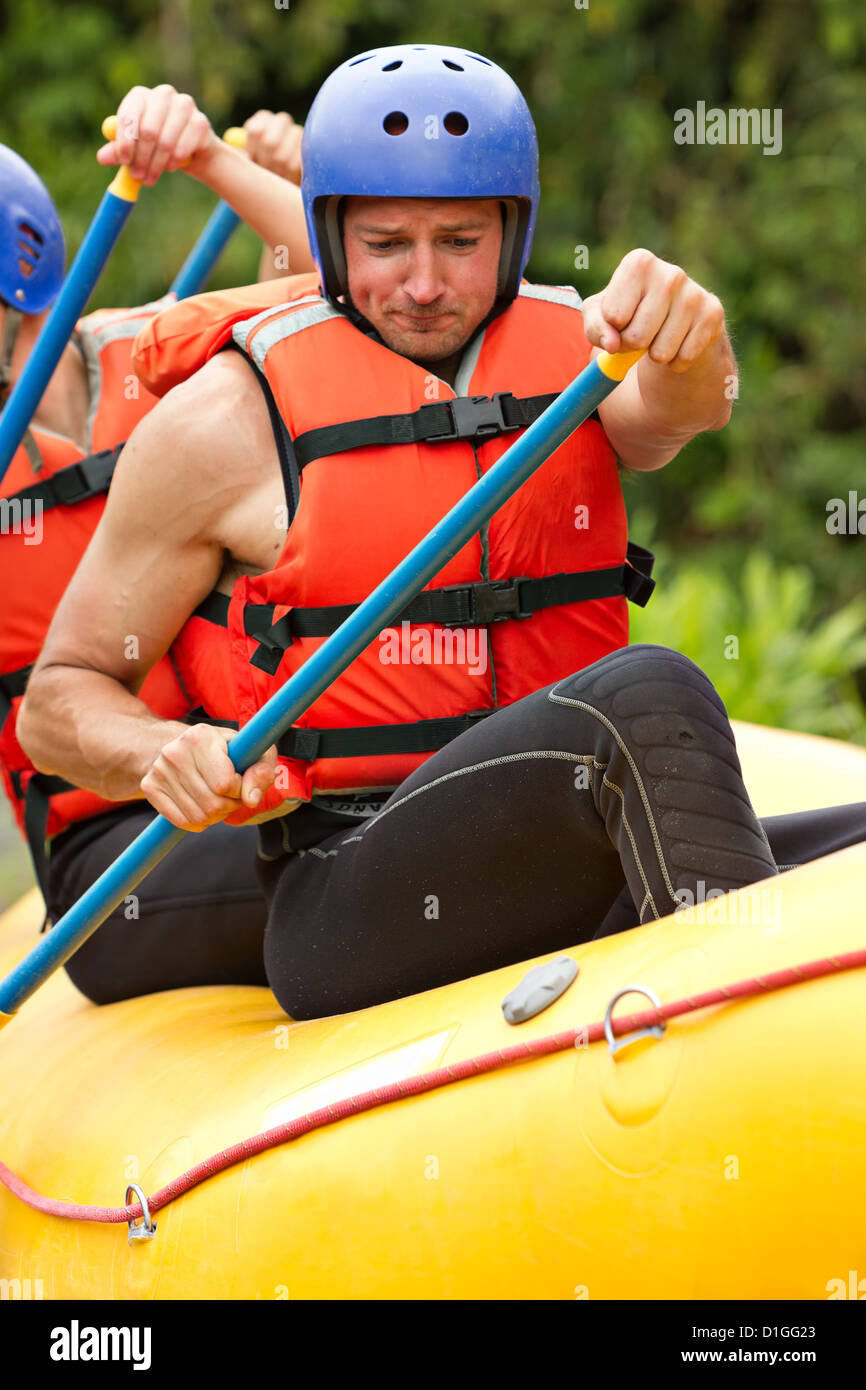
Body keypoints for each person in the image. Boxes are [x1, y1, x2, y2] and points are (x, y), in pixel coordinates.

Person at [19, 45, 866, 1019]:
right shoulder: (220, 425)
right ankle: (746, 1059)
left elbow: (685, 408)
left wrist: (692, 339)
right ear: (328, 236)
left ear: (513, 232)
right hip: (349, 885)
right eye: (385, 244)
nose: (423, 283)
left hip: (537, 839)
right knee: (649, 694)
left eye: (459, 242)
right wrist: (157, 751)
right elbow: (57, 702)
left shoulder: (576, 352)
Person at [1, 85, 313, 1003]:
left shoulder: (156, 353)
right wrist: (161, 754)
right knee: (351, 858)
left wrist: (247, 170)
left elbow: (334, 289)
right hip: (113, 856)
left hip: (273, 771)